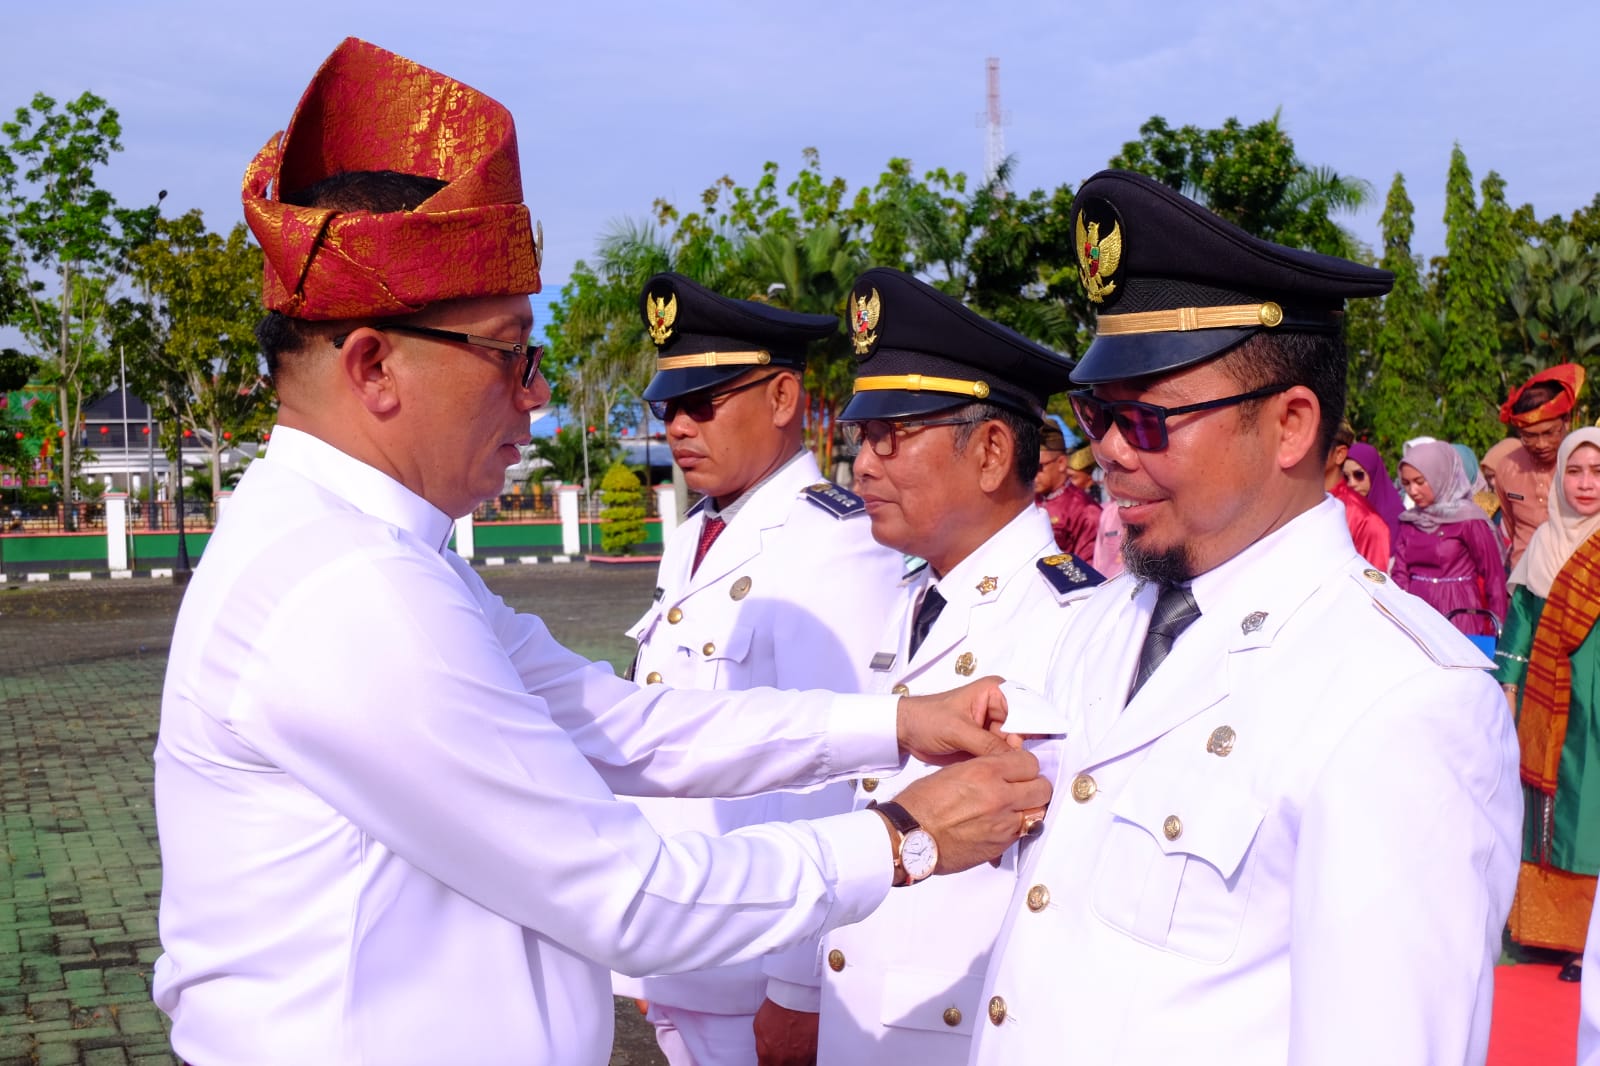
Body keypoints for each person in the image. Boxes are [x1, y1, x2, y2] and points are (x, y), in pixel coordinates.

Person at [151, 38, 1049, 1066]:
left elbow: (625, 728)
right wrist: (905, 837)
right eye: (511, 355)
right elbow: (627, 894)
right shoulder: (347, 591)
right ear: (374, 366)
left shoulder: (376, 555)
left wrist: (894, 723)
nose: (535, 394)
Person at [971, 169, 1521, 1065]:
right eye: (1095, 414)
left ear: (1292, 424)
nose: (1106, 450)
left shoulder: (1399, 700)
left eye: (1145, 420)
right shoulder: (1099, 623)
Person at [783, 267, 1101, 1066]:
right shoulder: (910, 597)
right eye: (862, 438)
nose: (862, 465)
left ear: (992, 451)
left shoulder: (1073, 622)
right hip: (864, 1023)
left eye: (893, 435)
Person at [616, 273, 905, 1066]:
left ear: (783, 398)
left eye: (702, 404)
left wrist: (799, 990)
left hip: (759, 961)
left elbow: (837, 777)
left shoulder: (832, 543)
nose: (678, 426)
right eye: (666, 408)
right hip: (687, 942)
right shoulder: (694, 537)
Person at [1494, 427, 1600, 984]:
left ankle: (1591, 941)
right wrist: (1508, 683)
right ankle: (1551, 932)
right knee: (1551, 812)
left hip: (1598, 697)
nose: (1585, 485)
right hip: (1550, 700)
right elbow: (1523, 624)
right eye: (1575, 472)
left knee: (1593, 817)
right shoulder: (1545, 543)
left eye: (1598, 473)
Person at [1392, 440, 1508, 638]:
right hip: (1418, 614)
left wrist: (1499, 627)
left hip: (1459, 612)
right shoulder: (1410, 522)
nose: (1413, 491)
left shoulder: (1468, 520)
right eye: (1406, 483)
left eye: (1420, 482)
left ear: (1440, 476)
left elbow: (1493, 577)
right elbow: (1399, 576)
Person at [1494, 364, 1587, 569]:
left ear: (1566, 421)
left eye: (1549, 433)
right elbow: (1510, 525)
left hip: (1578, 582)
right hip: (1524, 583)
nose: (1541, 445)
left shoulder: (1587, 465)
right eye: (1529, 436)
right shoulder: (1507, 468)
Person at [1326, 422, 1389, 569]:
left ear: (1339, 454)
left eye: (1315, 444)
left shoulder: (1365, 519)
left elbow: (1373, 584)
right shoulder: (1293, 503)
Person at [1034, 421, 1100, 557]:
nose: (1033, 473)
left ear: (1061, 463)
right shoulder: (1027, 501)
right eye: (1030, 466)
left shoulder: (1085, 510)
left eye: (1039, 467)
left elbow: (1088, 568)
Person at [1344, 440, 1405, 551]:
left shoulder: (1393, 514)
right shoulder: (1345, 511)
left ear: (1372, 473)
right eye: (1346, 477)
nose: (1351, 483)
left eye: (1358, 475)